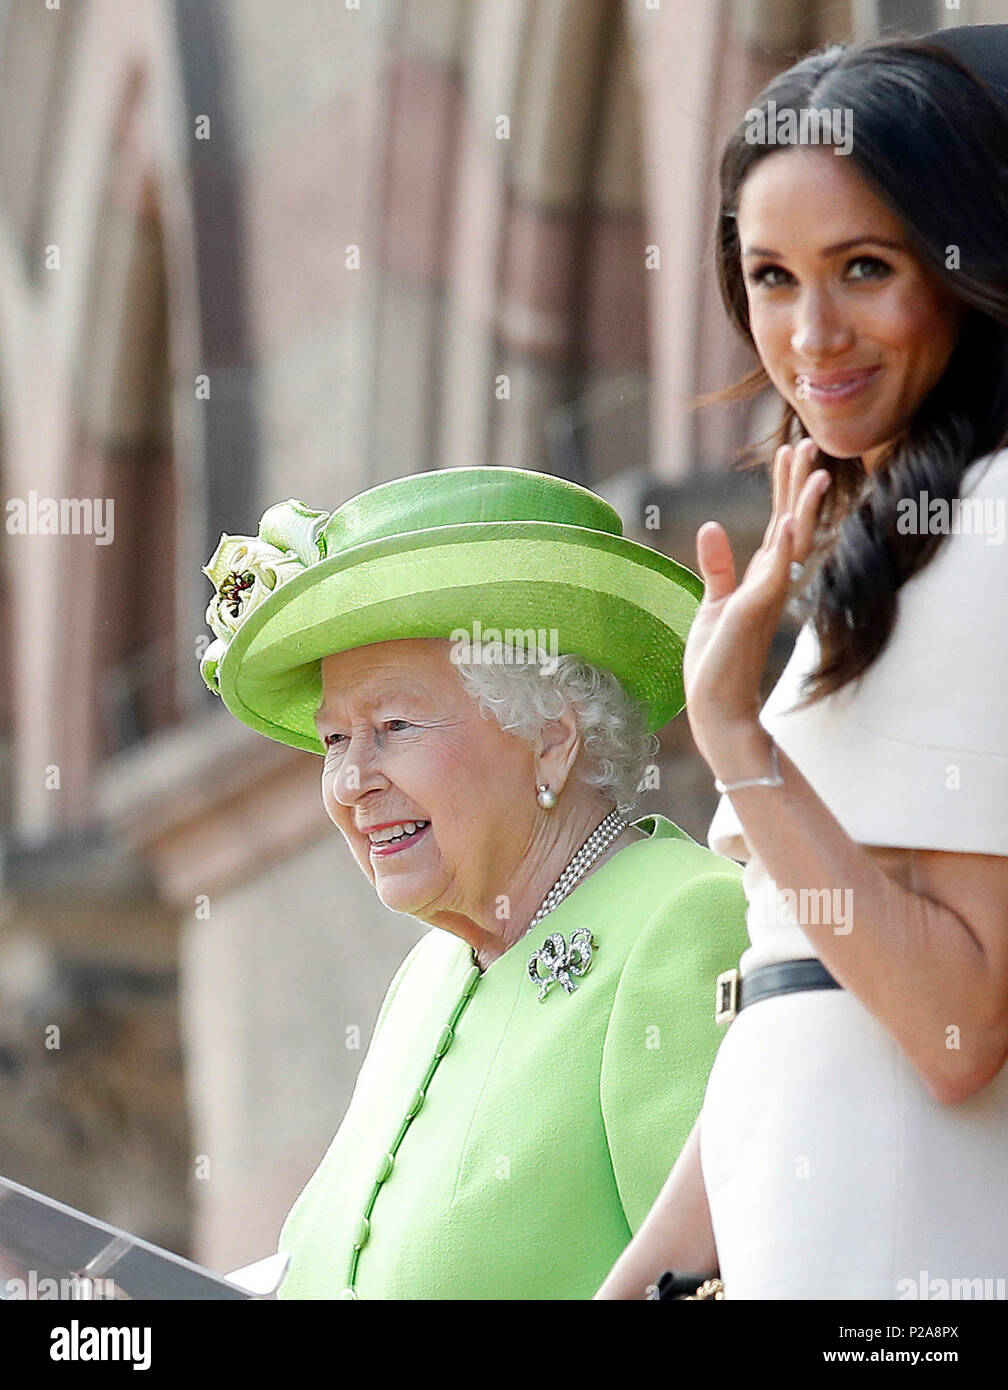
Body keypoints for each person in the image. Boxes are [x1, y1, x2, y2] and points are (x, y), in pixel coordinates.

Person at [597, 26, 1008, 1300]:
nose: (811, 332)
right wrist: (641, 1282)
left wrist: (736, 740)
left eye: (865, 268)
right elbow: (794, 989)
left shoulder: (988, 528)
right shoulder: (883, 557)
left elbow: (958, 1025)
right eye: (771, 276)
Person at [199, 465, 749, 1299]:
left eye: (392, 727)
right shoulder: (426, 981)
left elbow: (729, 1282)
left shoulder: (687, 919)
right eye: (335, 741)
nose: (351, 782)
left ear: (551, 738)